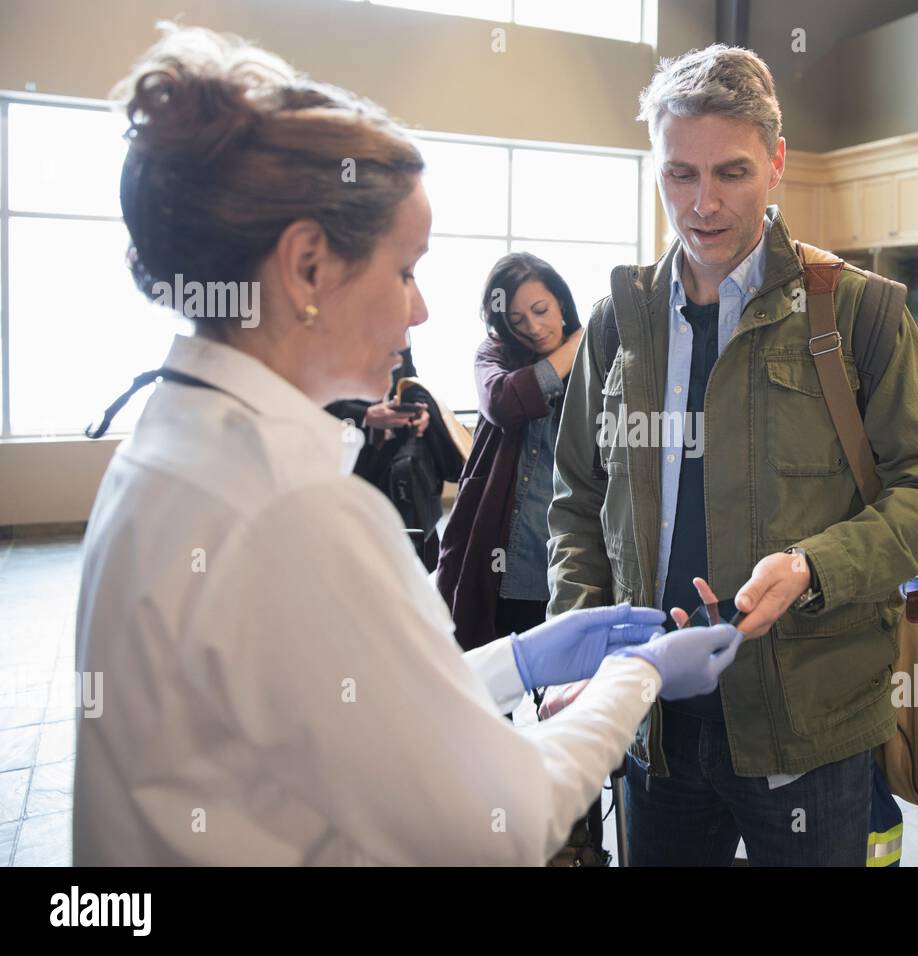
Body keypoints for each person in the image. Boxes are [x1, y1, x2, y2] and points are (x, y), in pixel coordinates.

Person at [73, 23, 740, 866]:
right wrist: (636, 676)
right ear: (308, 266)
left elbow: (355, 709)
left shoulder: (173, 449)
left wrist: (519, 660)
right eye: (406, 269)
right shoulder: (296, 509)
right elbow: (504, 818)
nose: (418, 312)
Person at [548, 45, 918, 866]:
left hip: (805, 722)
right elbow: (576, 498)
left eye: (732, 173)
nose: (703, 204)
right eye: (679, 175)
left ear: (777, 163)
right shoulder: (618, 323)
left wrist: (815, 565)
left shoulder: (860, 314)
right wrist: (577, 639)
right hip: (653, 720)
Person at [436, 253, 584, 650]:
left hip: (565, 549)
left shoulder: (599, 357)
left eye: (541, 310)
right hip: (498, 544)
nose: (533, 328)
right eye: (518, 320)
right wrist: (572, 348)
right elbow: (503, 401)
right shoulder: (494, 354)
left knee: (564, 680)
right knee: (483, 673)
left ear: (562, 304)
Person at [327, 346, 466, 571]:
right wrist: (364, 416)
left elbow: (409, 379)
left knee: (405, 552)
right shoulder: (326, 332)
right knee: (355, 557)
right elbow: (303, 396)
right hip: (346, 459)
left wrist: (421, 412)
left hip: (398, 456)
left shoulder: (400, 330)